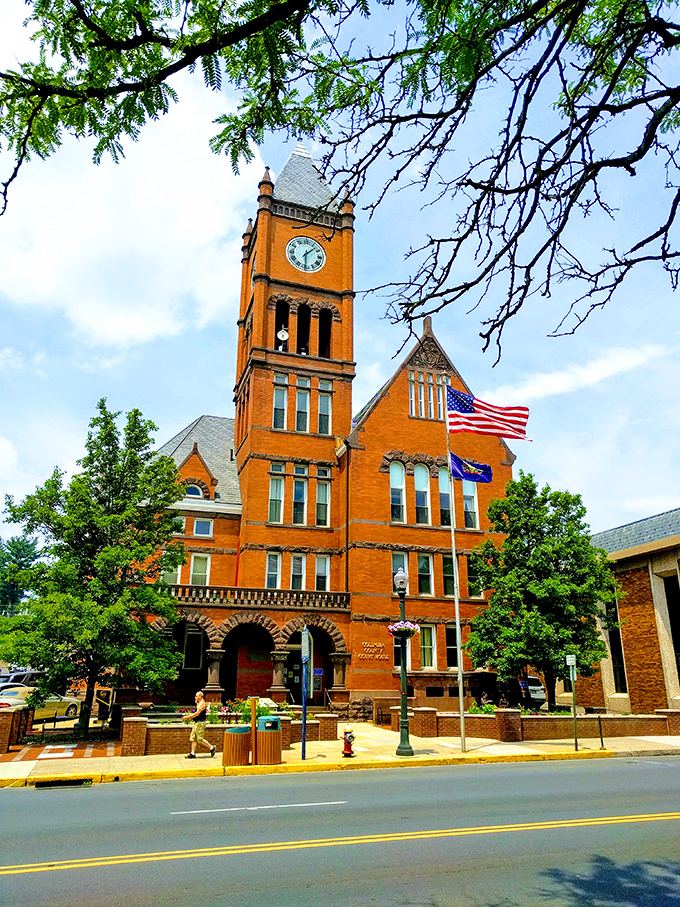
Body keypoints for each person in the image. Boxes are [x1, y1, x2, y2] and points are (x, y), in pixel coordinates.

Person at [182, 690, 216, 758]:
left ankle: (211, 748)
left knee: (199, 739)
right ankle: (192, 753)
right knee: (193, 738)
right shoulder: (199, 703)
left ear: (200, 696)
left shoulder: (201, 704)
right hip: (196, 722)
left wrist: (187, 717)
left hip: (200, 723)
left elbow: (197, 713)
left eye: (196, 696)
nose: (195, 697)